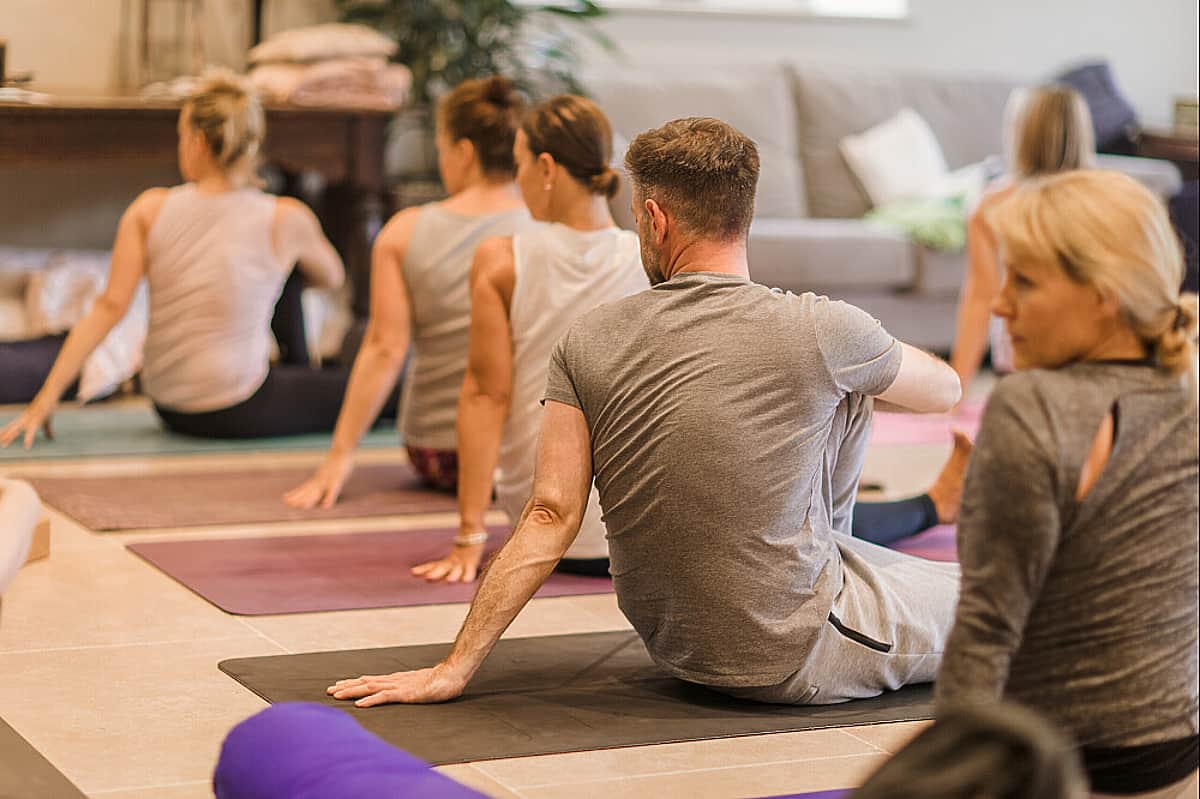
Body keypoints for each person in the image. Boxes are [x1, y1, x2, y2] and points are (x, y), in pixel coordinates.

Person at [327, 117, 963, 709]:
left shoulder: (587, 338)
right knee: (1021, 600)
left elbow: (550, 514)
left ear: (655, 220)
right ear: (745, 214)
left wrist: (454, 668)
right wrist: (868, 347)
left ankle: (838, 552)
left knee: (923, 539)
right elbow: (946, 391)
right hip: (793, 649)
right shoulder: (822, 326)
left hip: (676, 643)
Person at [936, 170, 1199, 798]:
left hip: (1060, 767)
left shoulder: (1034, 405)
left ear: (1103, 293)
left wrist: (941, 774)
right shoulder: (1186, 387)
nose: (999, 305)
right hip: (1178, 754)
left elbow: (986, 623)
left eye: (1023, 281)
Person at [0, 71, 346, 446]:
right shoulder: (286, 217)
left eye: (180, 136)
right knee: (374, 392)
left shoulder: (149, 209)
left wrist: (45, 399)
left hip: (169, 406)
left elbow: (109, 307)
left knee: (285, 273)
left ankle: (294, 373)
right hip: (238, 406)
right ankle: (302, 373)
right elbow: (333, 278)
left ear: (197, 142)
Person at [407, 94, 647, 583]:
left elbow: (484, 395)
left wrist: (469, 536)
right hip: (640, 535)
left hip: (539, 532)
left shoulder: (500, 259)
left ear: (545, 167)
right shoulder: (649, 256)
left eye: (518, 165)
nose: (516, 181)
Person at [284, 76, 531, 501]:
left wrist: (340, 455)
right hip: (523, 456)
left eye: (440, 149)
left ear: (464, 152)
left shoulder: (405, 231)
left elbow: (385, 348)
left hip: (439, 454)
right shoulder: (550, 229)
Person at [949, 85, 1095, 393]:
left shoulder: (991, 205)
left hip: (1021, 356)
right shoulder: (1105, 199)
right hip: (1091, 354)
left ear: (1019, 137)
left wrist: (956, 390)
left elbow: (979, 299)